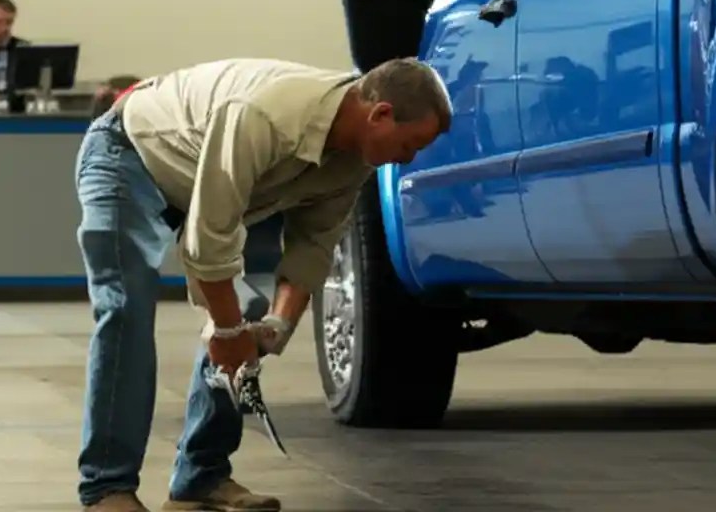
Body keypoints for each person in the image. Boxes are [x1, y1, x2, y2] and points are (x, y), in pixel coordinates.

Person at [74, 57, 451, 512]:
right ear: (381, 114)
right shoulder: (266, 114)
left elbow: (312, 246)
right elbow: (209, 242)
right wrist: (228, 334)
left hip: (200, 182)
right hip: (128, 157)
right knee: (127, 309)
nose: (407, 159)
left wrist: (275, 326)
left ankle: (200, 476)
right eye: (410, 145)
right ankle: (106, 488)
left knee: (245, 312)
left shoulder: (356, 159)